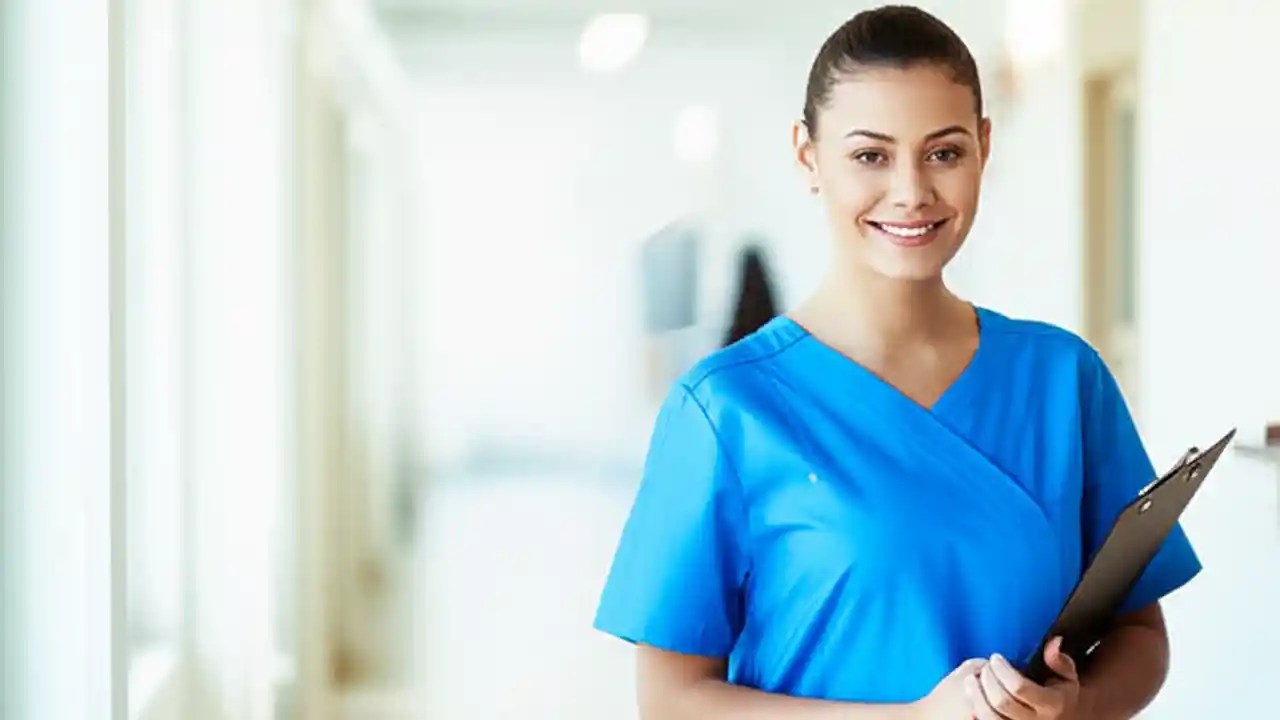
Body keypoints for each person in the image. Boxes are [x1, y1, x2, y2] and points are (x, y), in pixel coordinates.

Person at [593, 5, 1201, 720]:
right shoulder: (727, 407)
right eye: (870, 155)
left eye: (943, 152)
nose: (912, 192)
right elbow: (671, 701)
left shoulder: (1064, 380)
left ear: (983, 146)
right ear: (806, 155)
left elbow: (1140, 636)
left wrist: (1077, 708)